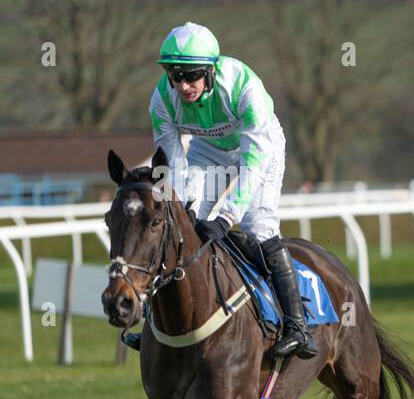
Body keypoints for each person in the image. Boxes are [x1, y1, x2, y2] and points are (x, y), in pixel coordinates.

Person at [123, 22, 316, 358]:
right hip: (207, 150)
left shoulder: (244, 87)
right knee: (179, 224)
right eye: (175, 76)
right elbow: (172, 163)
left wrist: (226, 218)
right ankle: (156, 322)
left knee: (259, 226)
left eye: (192, 76)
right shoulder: (161, 100)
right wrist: (185, 208)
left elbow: (253, 166)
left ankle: (298, 325)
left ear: (211, 71)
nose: (183, 86)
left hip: (257, 150)